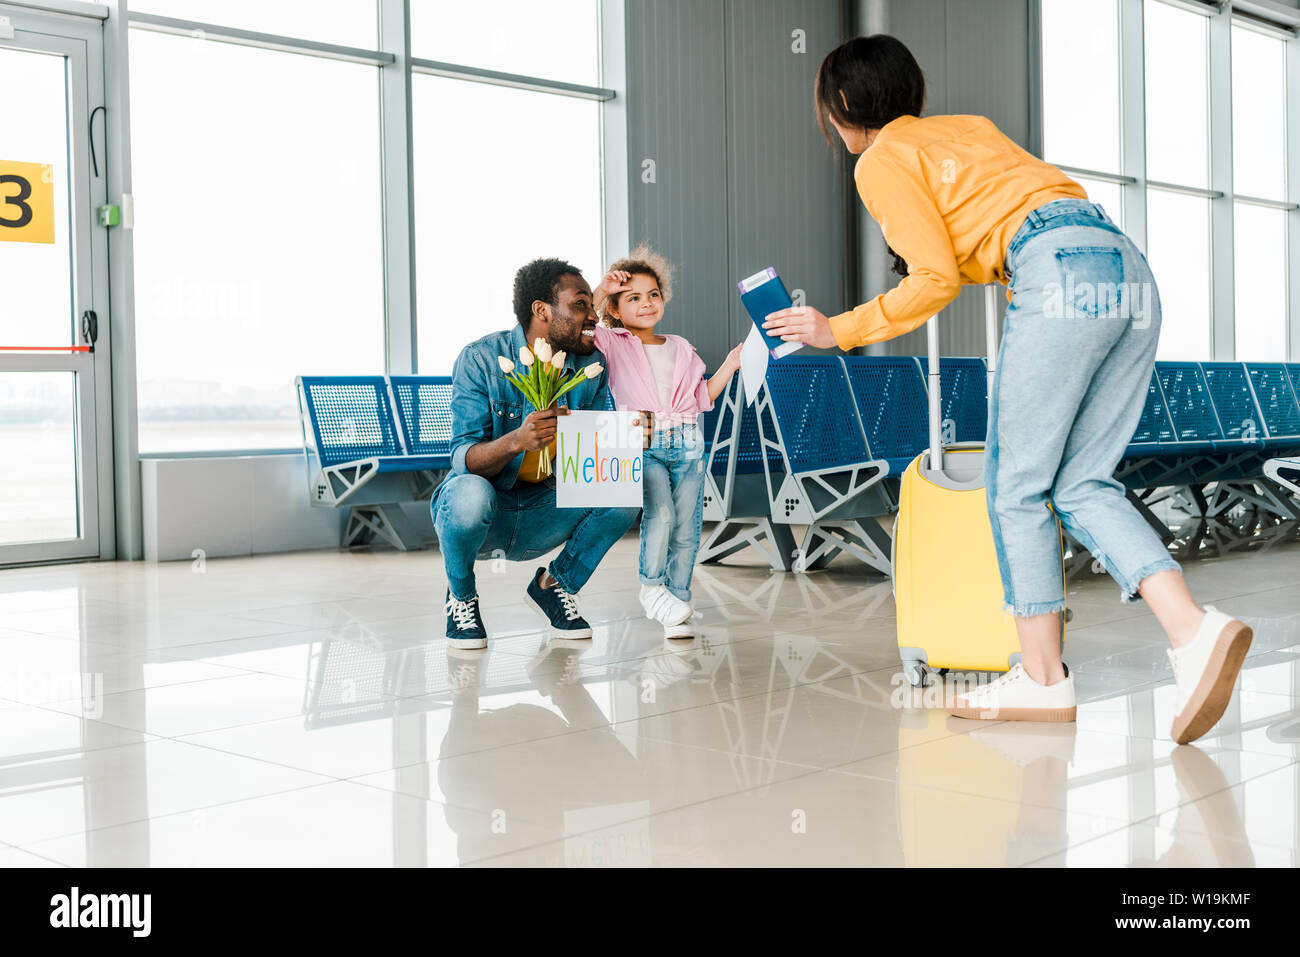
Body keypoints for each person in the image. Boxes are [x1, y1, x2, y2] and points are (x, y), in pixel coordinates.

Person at [763, 34, 1252, 744]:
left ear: (841, 105)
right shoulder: (967, 130)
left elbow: (931, 278)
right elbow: (976, 232)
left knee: (1016, 484)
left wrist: (835, 328)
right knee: (1081, 481)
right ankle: (1191, 630)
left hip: (1052, 270)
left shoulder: (880, 160)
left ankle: (1044, 676)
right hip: (1124, 265)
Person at [432, 258, 641, 649]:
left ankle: (553, 585)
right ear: (542, 311)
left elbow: (596, 461)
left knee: (623, 487)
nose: (593, 316)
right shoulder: (482, 359)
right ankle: (461, 597)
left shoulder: (590, 364)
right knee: (467, 492)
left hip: (546, 510)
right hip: (487, 512)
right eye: (581, 305)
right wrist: (516, 440)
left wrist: (627, 438)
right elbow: (462, 457)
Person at [590, 247, 742, 638]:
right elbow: (583, 328)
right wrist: (601, 288)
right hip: (644, 442)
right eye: (633, 297)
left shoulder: (681, 346)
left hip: (689, 443)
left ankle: (676, 600)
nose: (646, 303)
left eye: (653, 294)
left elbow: (700, 398)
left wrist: (729, 364)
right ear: (615, 309)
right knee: (662, 514)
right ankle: (651, 586)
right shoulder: (613, 343)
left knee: (689, 528)